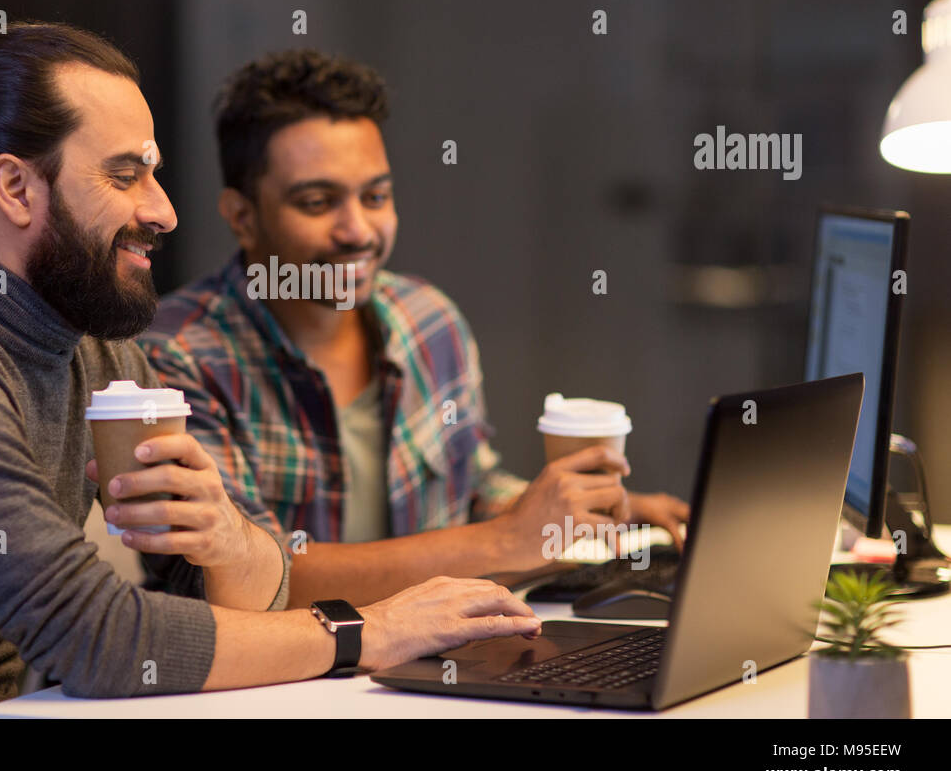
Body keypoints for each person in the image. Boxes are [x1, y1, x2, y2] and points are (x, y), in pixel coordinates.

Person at [0, 24, 540, 718]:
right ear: (15, 189)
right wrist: (368, 632)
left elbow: (219, 591)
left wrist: (227, 541)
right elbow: (102, 641)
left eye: (154, 174)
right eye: (124, 176)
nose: (161, 211)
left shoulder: (97, 344)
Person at [140, 49, 689, 609]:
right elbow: (242, 579)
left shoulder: (429, 321)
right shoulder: (175, 359)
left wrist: (571, 511)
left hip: (428, 668)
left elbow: (470, 492)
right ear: (242, 217)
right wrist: (507, 540)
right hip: (269, 685)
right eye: (317, 202)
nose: (358, 230)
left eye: (375, 196)